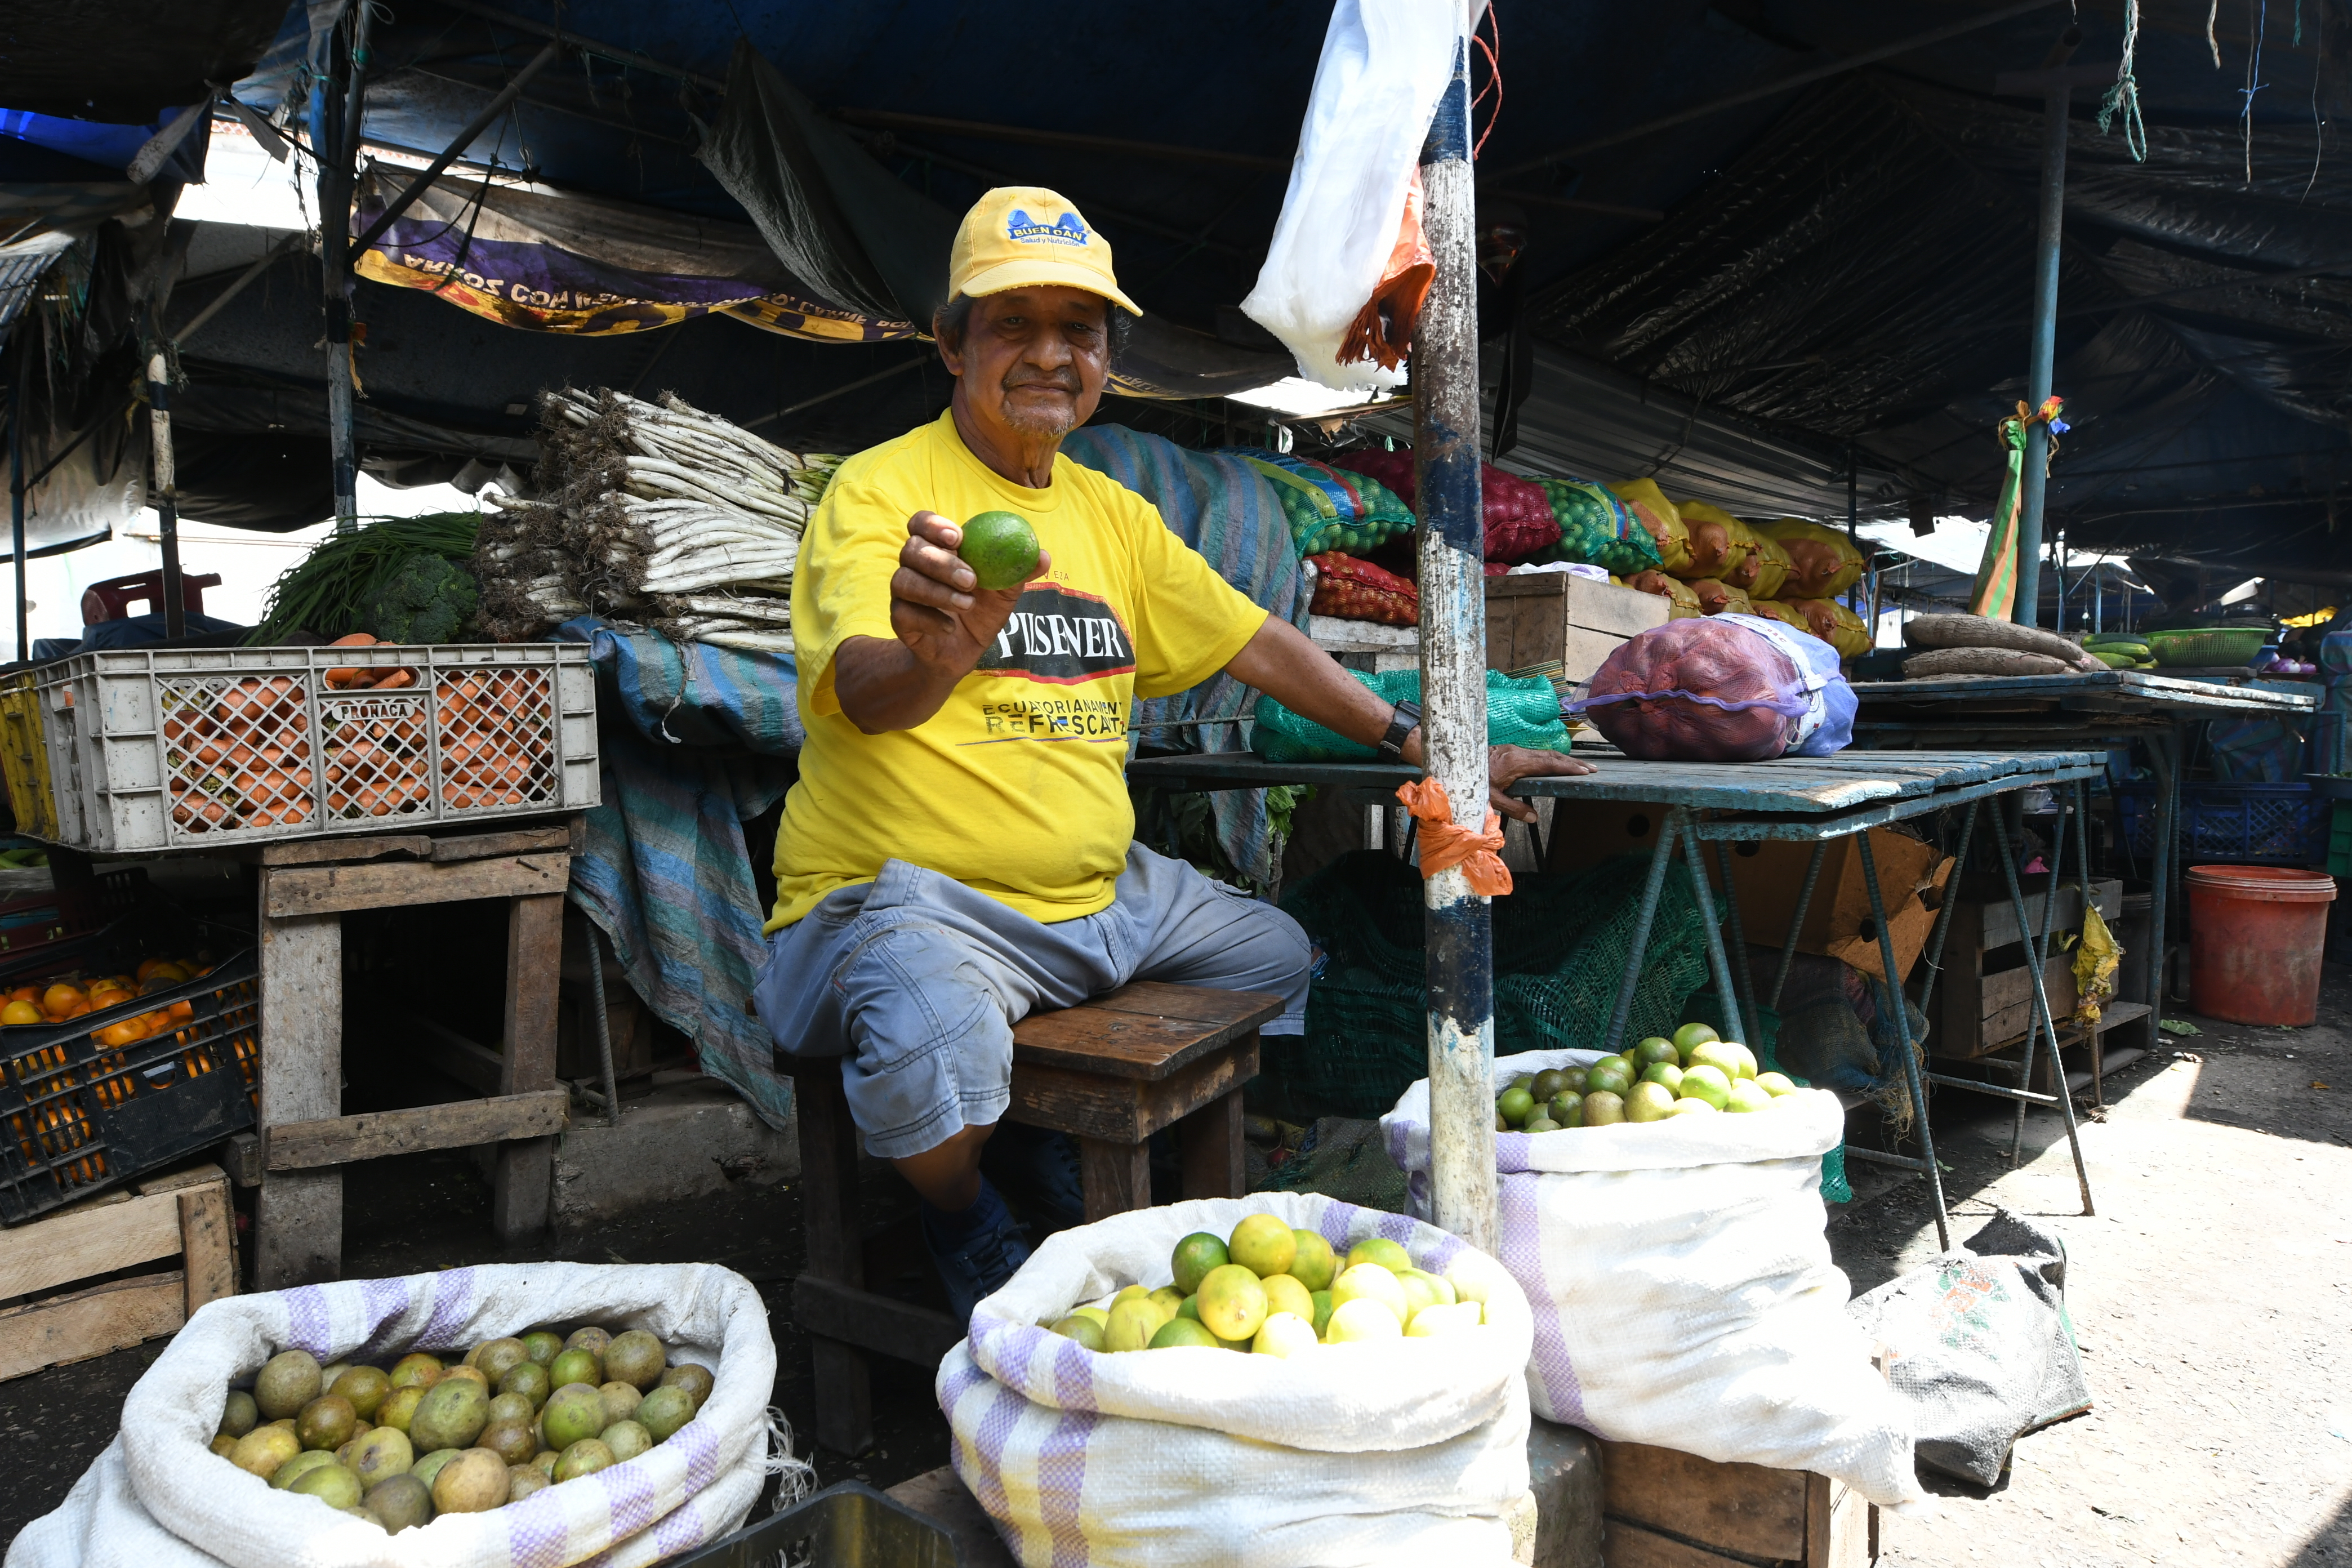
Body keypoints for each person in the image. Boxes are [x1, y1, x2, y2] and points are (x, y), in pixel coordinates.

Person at [752, 186, 1592, 1318]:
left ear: (1106, 360)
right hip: (904, 900)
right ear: (952, 344)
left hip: (1099, 902)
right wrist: (933, 658)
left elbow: (1263, 645)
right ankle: (964, 1211)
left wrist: (1429, 746)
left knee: (1275, 958)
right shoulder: (885, 493)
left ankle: (1021, 1137)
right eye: (1014, 325)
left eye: (1080, 333)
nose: (1051, 356)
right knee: (925, 1039)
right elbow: (864, 690)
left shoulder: (1113, 518)